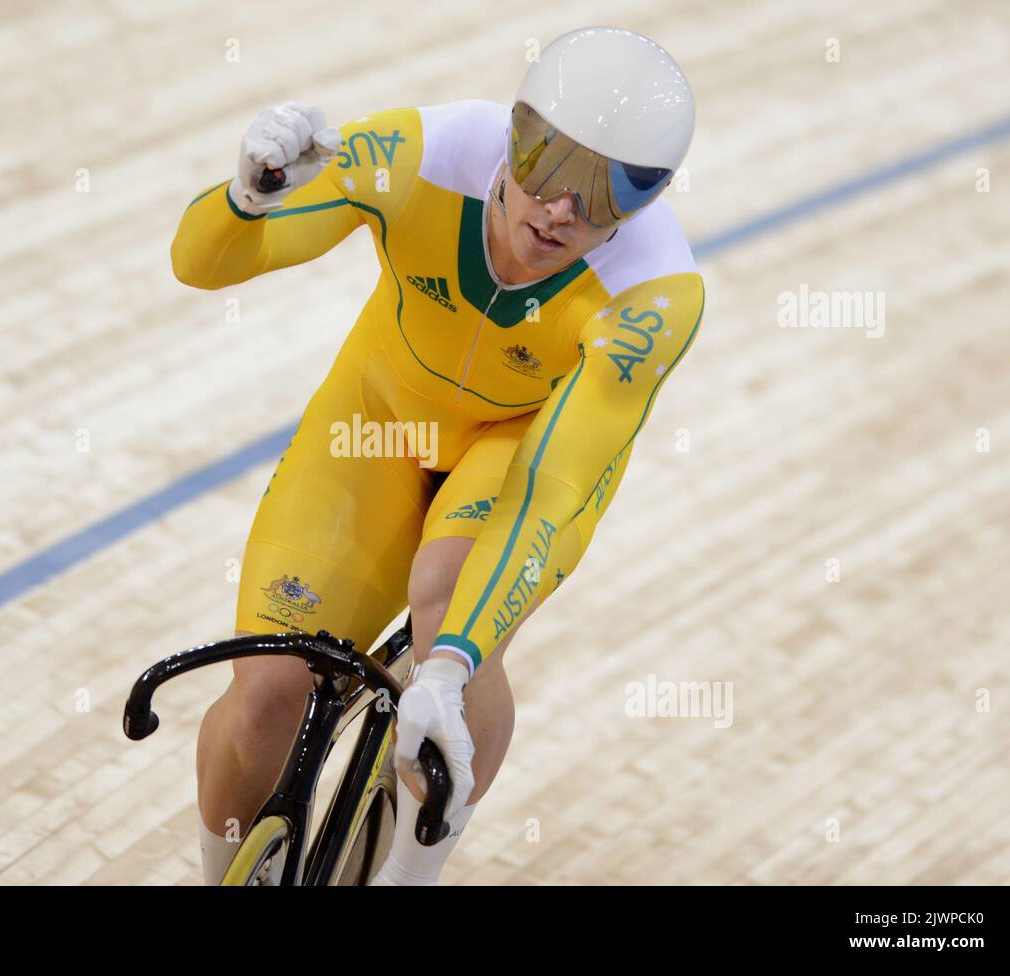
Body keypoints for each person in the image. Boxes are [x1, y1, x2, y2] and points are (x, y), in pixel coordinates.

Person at [171, 26, 704, 885]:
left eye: (609, 191)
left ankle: (409, 877)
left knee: (446, 604)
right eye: (549, 163)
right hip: (382, 424)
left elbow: (546, 490)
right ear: (512, 134)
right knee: (267, 692)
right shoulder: (422, 153)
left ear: (651, 198)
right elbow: (201, 266)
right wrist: (245, 199)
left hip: (515, 449)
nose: (564, 207)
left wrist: (452, 663)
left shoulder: (654, 296)